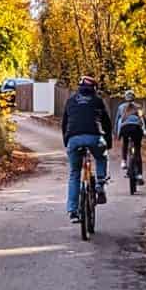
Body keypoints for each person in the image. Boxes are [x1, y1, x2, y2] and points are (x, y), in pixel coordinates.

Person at [60, 75, 114, 221]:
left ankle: (72, 211)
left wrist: (67, 141)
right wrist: (108, 143)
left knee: (75, 173)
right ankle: (100, 183)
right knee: (102, 157)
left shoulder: (70, 101)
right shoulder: (97, 101)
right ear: (94, 88)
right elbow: (107, 124)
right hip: (94, 137)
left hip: (74, 139)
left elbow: (64, 123)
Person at [115, 90, 146, 180]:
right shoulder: (139, 107)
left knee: (125, 142)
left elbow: (117, 121)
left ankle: (123, 161)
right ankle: (139, 174)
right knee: (137, 150)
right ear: (134, 98)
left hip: (125, 129)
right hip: (136, 129)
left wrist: (116, 134)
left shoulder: (121, 107)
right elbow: (143, 118)